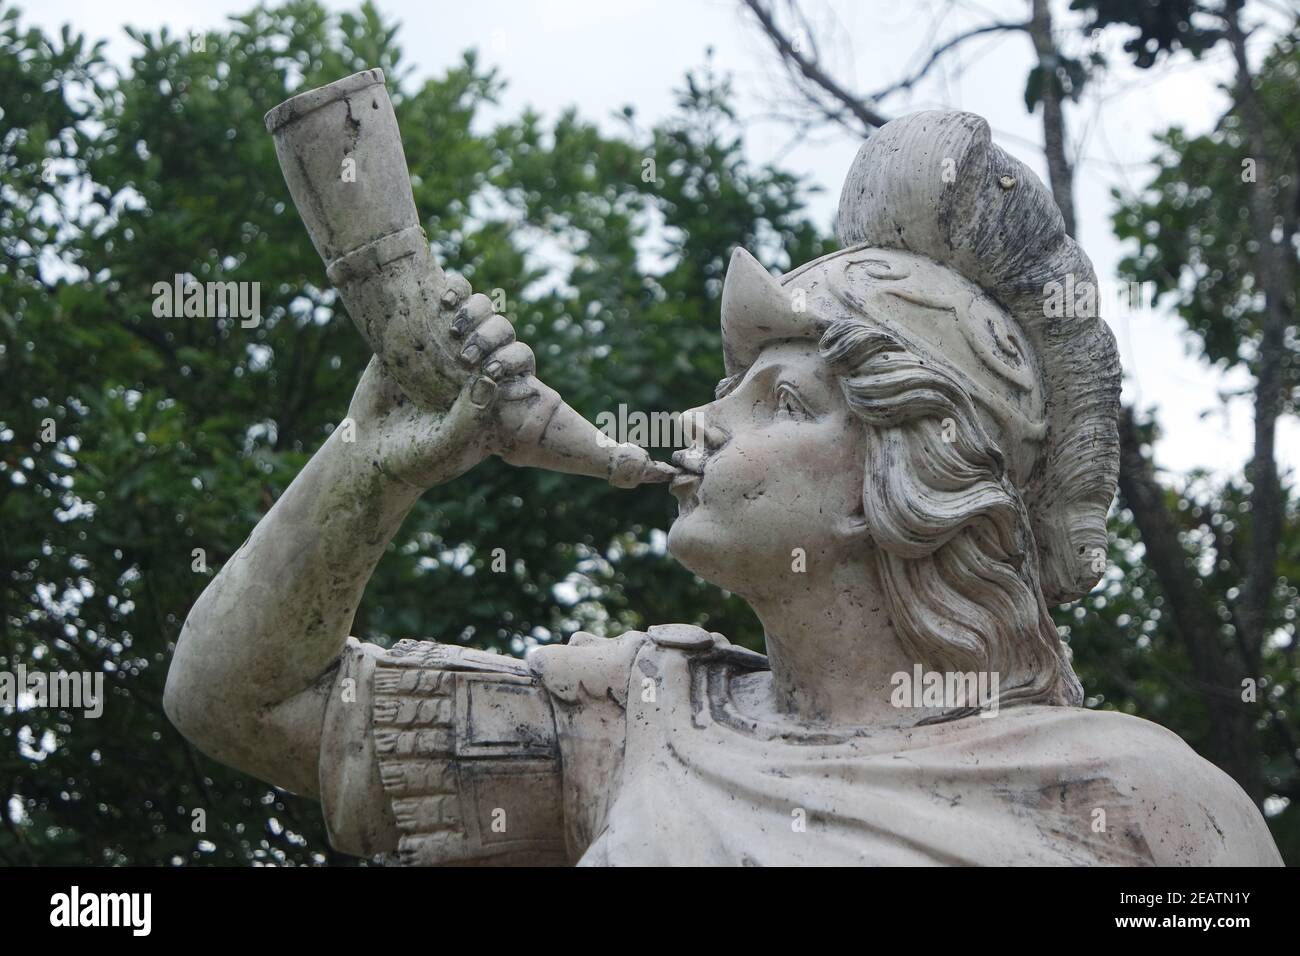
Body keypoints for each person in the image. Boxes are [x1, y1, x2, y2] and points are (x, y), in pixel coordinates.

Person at [165, 110, 1281, 866]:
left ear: (903, 481)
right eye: (722, 390)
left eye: (781, 401)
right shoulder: (631, 716)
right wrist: (365, 470)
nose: (701, 426)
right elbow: (238, 702)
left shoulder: (1144, 801)